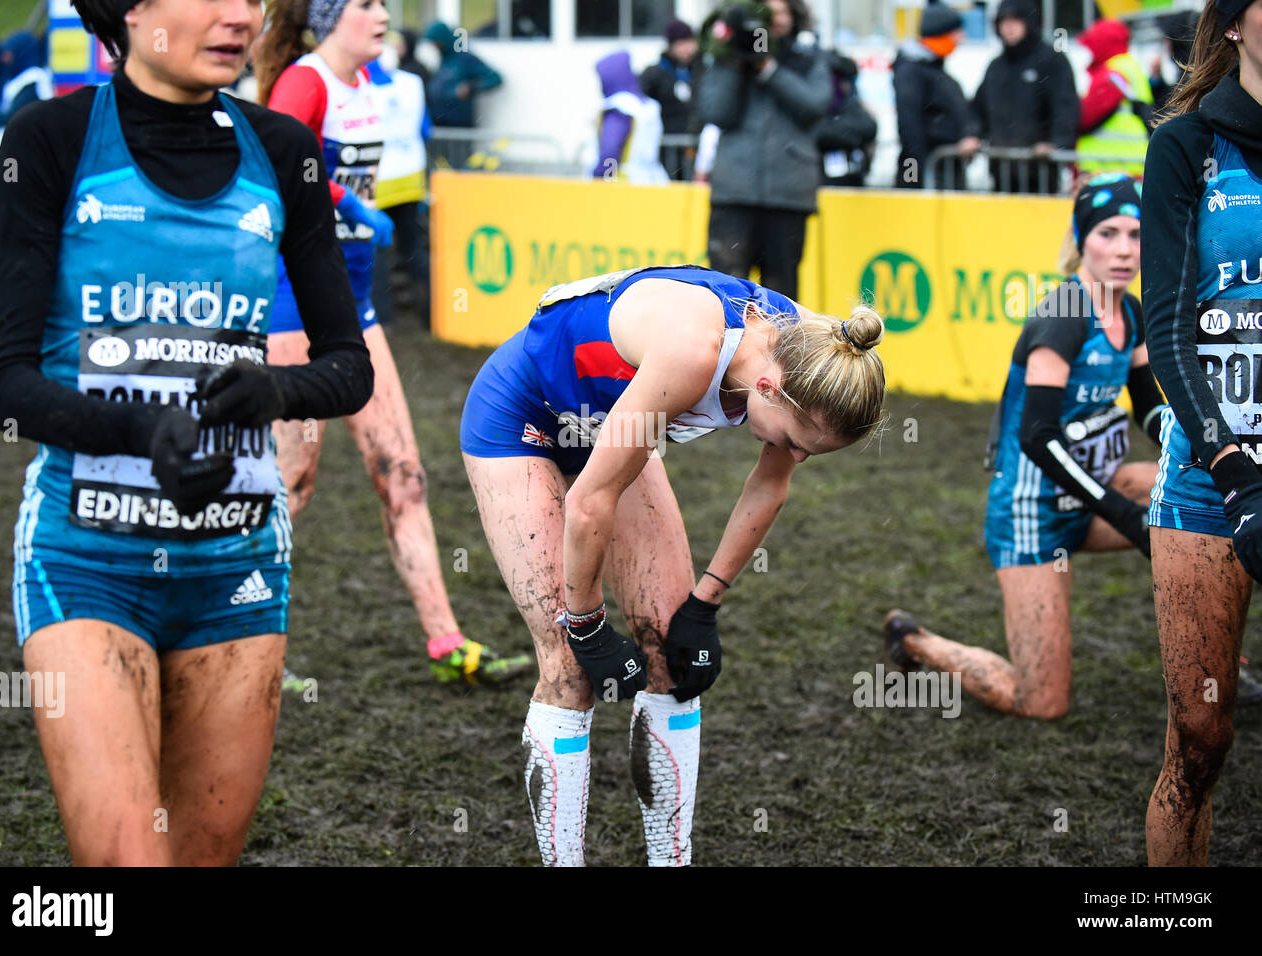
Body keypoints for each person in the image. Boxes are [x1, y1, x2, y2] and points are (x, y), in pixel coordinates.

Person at [0, 0, 374, 865]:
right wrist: (141, 427)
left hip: (236, 570)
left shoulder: (285, 153)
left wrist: (274, 388)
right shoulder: (49, 140)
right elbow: (2, 386)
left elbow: (351, 368)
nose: (241, 14)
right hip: (85, 562)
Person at [460, 264, 886, 866]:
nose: (792, 456)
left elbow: (768, 487)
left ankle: (671, 859)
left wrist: (705, 604)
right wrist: (585, 622)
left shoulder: (819, 358)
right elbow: (589, 503)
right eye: (794, 442)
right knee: (570, 667)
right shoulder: (694, 354)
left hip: (612, 423)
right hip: (522, 416)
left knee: (673, 657)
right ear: (767, 388)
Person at [256, 0, 528, 685]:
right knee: (291, 483)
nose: (382, 14)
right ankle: (251, 653)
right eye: (367, 4)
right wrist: (349, 207)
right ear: (328, 18)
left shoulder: (372, 84)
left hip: (354, 307)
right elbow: (280, 174)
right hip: (292, 306)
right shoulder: (304, 82)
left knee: (403, 476)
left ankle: (446, 644)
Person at [885, 175, 1164, 719]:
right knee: (1041, 703)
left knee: (1202, 502)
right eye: (1109, 233)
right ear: (1083, 239)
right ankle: (914, 640)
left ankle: (1223, 666)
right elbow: (1036, 437)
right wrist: (1124, 516)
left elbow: (1150, 410)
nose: (1125, 249)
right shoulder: (1065, 313)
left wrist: (1208, 454)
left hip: (1091, 491)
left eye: (1136, 234)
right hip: (1031, 514)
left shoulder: (1129, 313)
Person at [1141, 0, 1262, 866]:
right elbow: (1170, 327)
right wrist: (1237, 474)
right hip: (1209, 477)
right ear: (1233, 25)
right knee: (1202, 734)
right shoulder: (1187, 144)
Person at [696, 0, 830, 300]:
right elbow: (716, 111)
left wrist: (769, 68)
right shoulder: (727, 57)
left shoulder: (808, 57)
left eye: (782, 11)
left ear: (795, 16)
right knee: (726, 290)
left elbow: (814, 106)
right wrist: (736, 59)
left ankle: (779, 350)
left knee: (781, 296)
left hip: (788, 195)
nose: (776, 19)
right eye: (768, 13)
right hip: (735, 193)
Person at [972, 0, 1079, 195]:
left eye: (1015, 20)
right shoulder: (995, 66)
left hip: (1041, 169)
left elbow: (1066, 108)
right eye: (1003, 22)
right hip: (1001, 169)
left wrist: (1056, 144)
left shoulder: (1052, 60)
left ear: (1029, 23)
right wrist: (972, 134)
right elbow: (978, 107)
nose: (1008, 27)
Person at [367, 45, 431, 329]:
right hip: (410, 178)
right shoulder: (412, 83)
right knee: (414, 249)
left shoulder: (360, 84)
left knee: (378, 254)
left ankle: (383, 320)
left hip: (377, 182)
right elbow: (426, 129)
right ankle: (431, 313)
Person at [892, 1, 980, 189]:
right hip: (930, 173)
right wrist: (916, 177)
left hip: (944, 171)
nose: (960, 38)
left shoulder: (936, 71)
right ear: (940, 32)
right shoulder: (911, 72)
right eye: (955, 32)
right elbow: (910, 130)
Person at [1076, 18, 1154, 177]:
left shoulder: (1112, 73)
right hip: (1131, 163)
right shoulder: (1130, 66)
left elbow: (1085, 117)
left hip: (1109, 166)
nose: (1089, 52)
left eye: (1092, 45)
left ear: (1102, 45)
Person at [424, 19, 502, 169]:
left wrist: (471, 87)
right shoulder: (442, 59)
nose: (434, 47)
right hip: (440, 126)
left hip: (459, 126)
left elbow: (495, 78)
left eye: (436, 42)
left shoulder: (464, 58)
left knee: (459, 168)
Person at [591, 50, 669, 184]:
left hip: (624, 187)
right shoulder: (646, 104)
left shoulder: (620, 107)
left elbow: (610, 152)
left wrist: (602, 178)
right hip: (651, 180)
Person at [639, 18, 699, 181]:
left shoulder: (699, 71)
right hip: (663, 153)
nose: (688, 48)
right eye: (682, 43)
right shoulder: (653, 75)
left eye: (690, 42)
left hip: (692, 152)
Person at [814, 49, 876, 188]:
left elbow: (868, 127)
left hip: (849, 182)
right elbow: (816, 133)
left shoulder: (848, 102)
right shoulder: (814, 100)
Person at [0, 31, 54, 149]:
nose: (5, 60)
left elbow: (10, 118)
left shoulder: (33, 79)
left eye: (9, 54)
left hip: (22, 151)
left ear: (20, 53)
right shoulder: (14, 79)